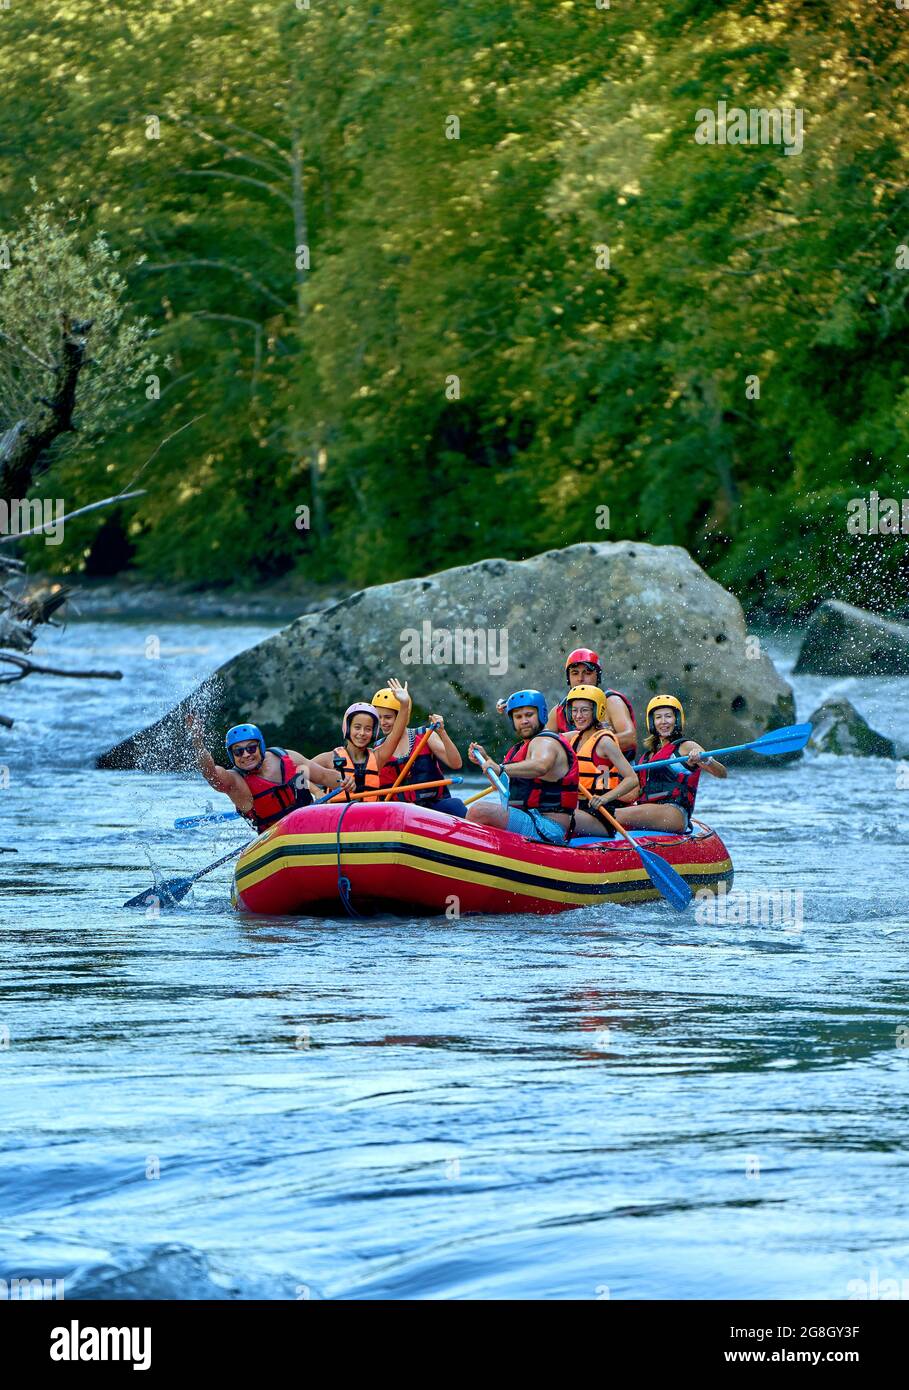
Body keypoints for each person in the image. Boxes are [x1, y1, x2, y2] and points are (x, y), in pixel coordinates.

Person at [185, 714, 344, 833]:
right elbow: (210, 773)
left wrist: (349, 781)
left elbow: (324, 776)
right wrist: (198, 744)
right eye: (239, 752)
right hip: (275, 840)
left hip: (313, 826)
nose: (246, 754)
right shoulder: (235, 782)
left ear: (260, 747)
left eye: (251, 748)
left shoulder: (287, 758)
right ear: (232, 756)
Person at [467, 689, 579, 845]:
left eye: (529, 715)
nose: (524, 721)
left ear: (542, 715)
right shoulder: (517, 749)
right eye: (518, 717)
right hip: (528, 819)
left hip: (548, 827)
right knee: (470, 812)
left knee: (479, 811)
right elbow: (499, 787)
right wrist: (485, 761)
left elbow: (540, 766)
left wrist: (502, 768)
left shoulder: (546, 741)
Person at [615, 695, 727, 833]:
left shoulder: (686, 746)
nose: (663, 722)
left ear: (677, 719)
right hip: (649, 812)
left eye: (668, 716)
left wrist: (704, 759)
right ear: (652, 722)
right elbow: (633, 795)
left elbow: (721, 773)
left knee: (614, 814)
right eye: (658, 717)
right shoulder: (646, 757)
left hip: (674, 813)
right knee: (606, 813)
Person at [372, 688, 467, 817]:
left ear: (403, 715)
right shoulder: (378, 749)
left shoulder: (426, 736)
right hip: (399, 812)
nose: (383, 723)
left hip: (432, 807)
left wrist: (442, 733)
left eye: (388, 717)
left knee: (455, 804)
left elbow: (456, 764)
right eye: (379, 718)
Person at [311, 676, 411, 796]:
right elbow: (298, 772)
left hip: (368, 815)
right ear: (347, 728)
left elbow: (396, 733)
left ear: (374, 732)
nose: (362, 733)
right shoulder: (328, 759)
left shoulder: (378, 758)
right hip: (339, 814)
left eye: (368, 729)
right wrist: (317, 792)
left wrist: (404, 705)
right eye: (357, 727)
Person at [561, 685, 640, 837]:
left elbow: (632, 779)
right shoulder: (575, 738)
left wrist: (605, 798)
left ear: (598, 711)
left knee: (558, 815)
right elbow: (545, 736)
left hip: (600, 814)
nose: (578, 715)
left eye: (584, 710)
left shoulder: (604, 741)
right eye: (575, 710)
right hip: (579, 807)